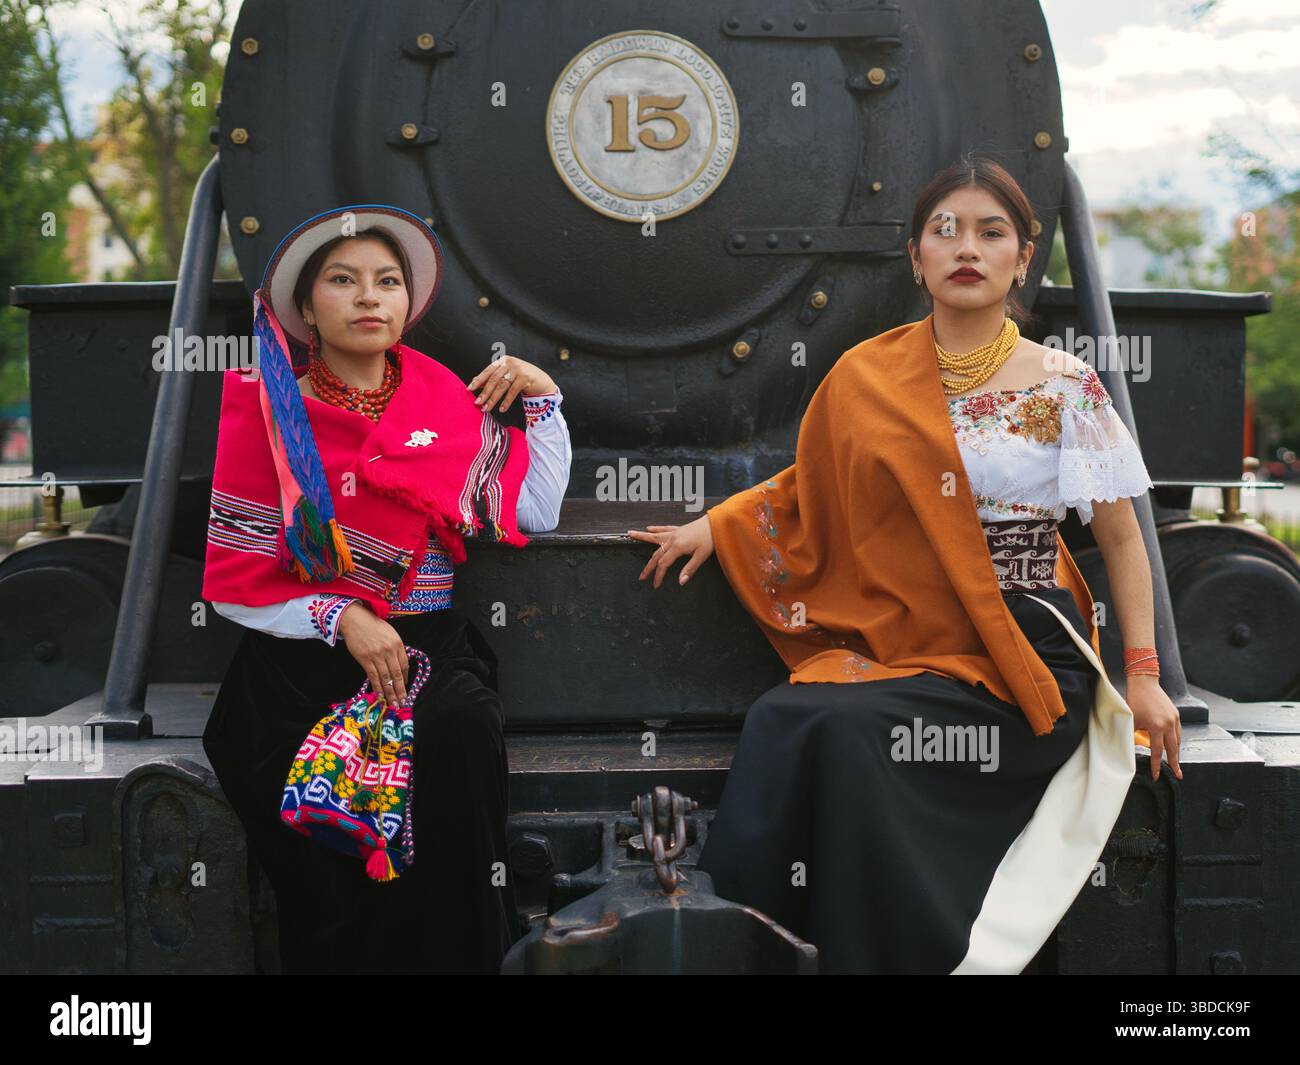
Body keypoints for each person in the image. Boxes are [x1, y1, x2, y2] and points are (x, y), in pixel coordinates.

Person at [628, 154, 1182, 975]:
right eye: (944, 230)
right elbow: (815, 482)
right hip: (910, 630)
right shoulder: (867, 373)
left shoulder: (1066, 385)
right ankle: (744, 940)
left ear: (1024, 256)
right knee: (787, 715)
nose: (968, 247)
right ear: (916, 256)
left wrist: (1141, 675)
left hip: (1024, 648)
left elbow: (1125, 537)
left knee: (852, 728)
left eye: (992, 232)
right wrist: (720, 522)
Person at [200, 204, 571, 974]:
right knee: (314, 821)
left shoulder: (449, 409)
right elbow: (234, 583)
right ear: (307, 308)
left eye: (387, 281)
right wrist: (344, 616)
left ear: (407, 301)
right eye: (343, 280)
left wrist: (542, 398)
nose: (369, 297)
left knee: (459, 736)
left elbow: (532, 506)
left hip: (424, 649)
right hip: (299, 661)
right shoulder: (267, 413)